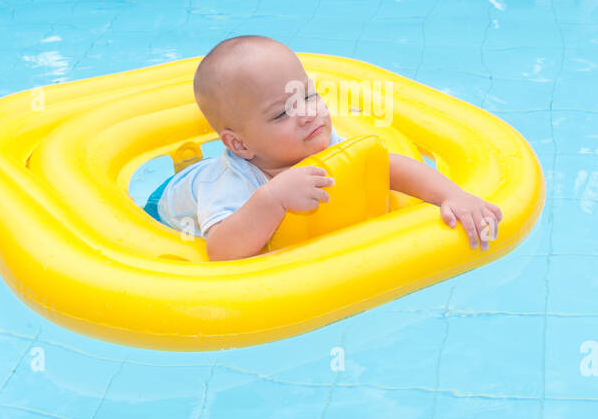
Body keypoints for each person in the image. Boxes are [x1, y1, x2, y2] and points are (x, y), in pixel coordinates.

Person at [151, 35, 503, 261]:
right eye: (282, 112)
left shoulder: (321, 141)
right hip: (169, 207)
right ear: (240, 144)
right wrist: (272, 199)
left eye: (307, 94)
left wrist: (453, 196)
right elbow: (222, 251)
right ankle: (185, 167)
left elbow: (391, 166)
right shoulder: (231, 184)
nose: (307, 114)